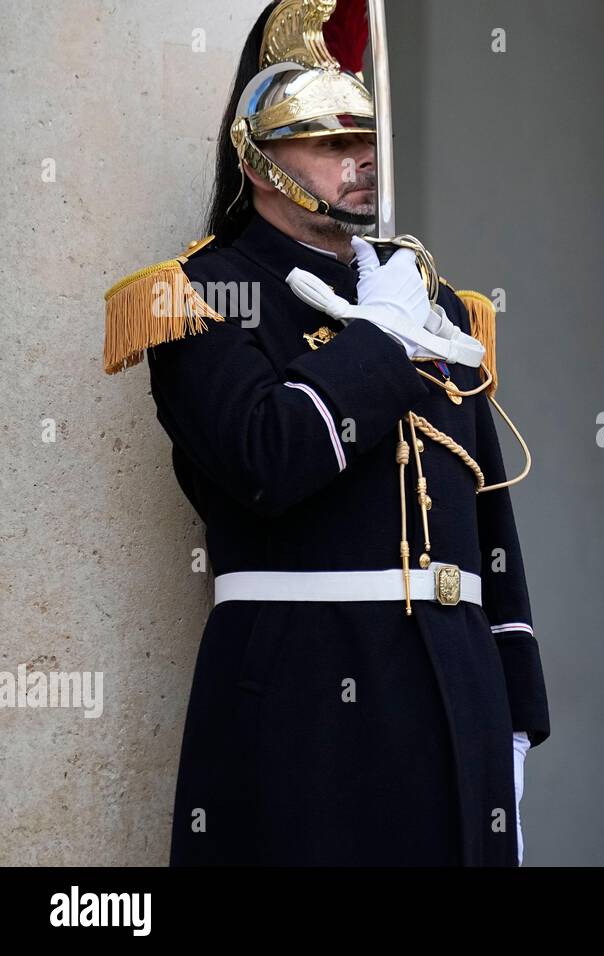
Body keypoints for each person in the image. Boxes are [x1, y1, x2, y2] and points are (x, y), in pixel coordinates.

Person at [101, 0, 548, 866]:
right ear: (261, 162)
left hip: (456, 695)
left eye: (367, 140)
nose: (363, 162)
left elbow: (491, 520)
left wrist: (517, 711)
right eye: (332, 143)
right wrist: (377, 341)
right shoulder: (202, 293)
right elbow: (268, 457)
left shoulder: (435, 302)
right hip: (304, 697)